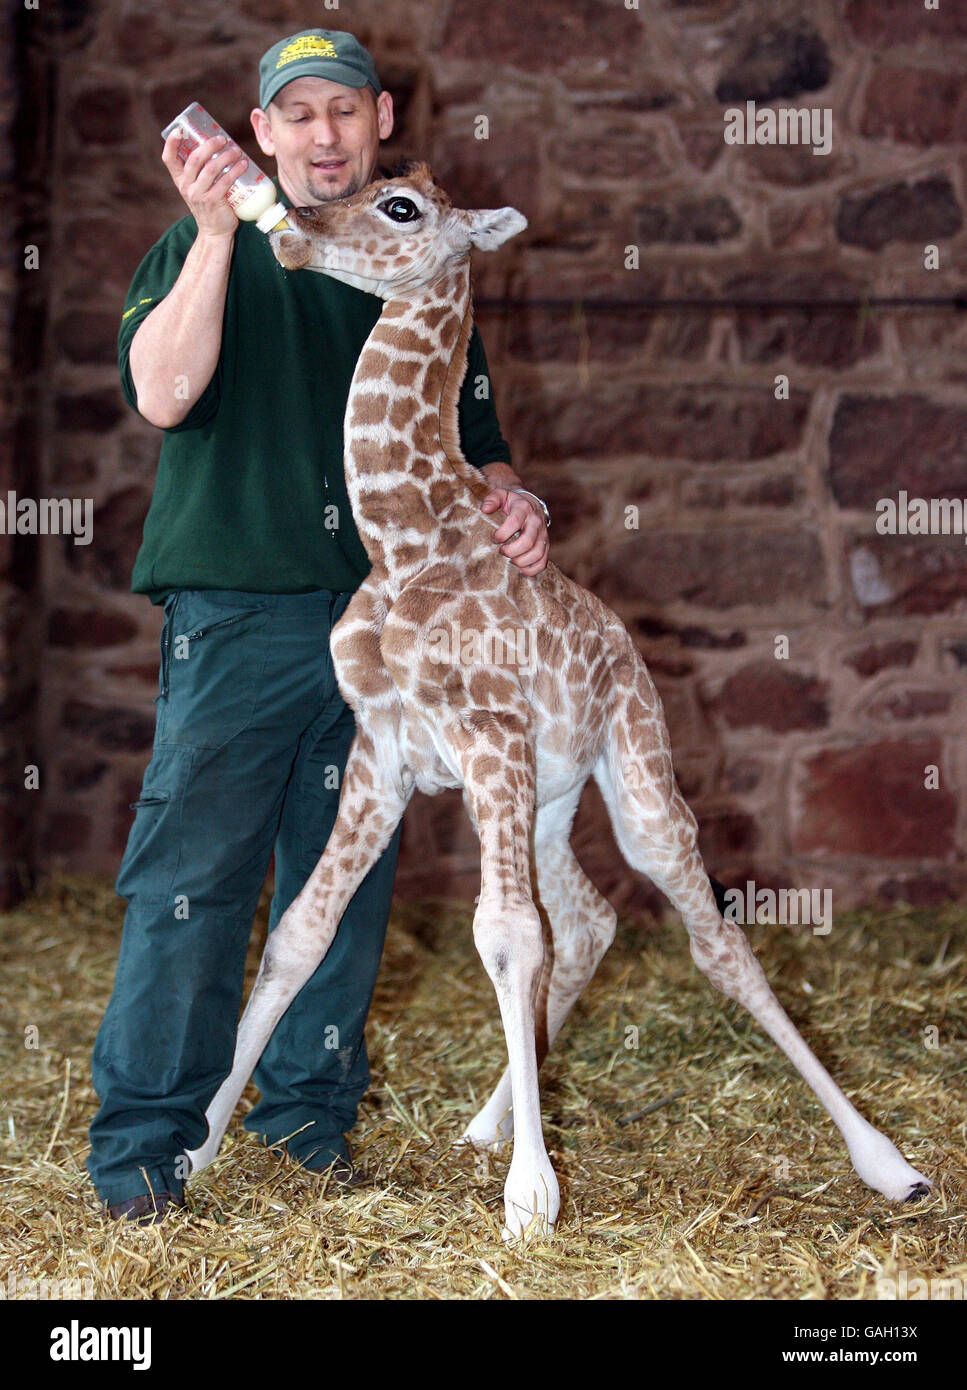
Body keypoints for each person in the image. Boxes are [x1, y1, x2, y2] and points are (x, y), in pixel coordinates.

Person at [86, 27, 550, 1224]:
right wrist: (218, 235)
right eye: (295, 115)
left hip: (389, 618)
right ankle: (144, 1151)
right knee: (194, 881)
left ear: (380, 117)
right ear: (261, 135)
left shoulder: (415, 255)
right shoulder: (198, 249)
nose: (323, 135)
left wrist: (517, 506)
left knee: (345, 878)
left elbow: (479, 451)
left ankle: (306, 1127)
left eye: (342, 110)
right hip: (236, 615)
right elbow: (164, 392)